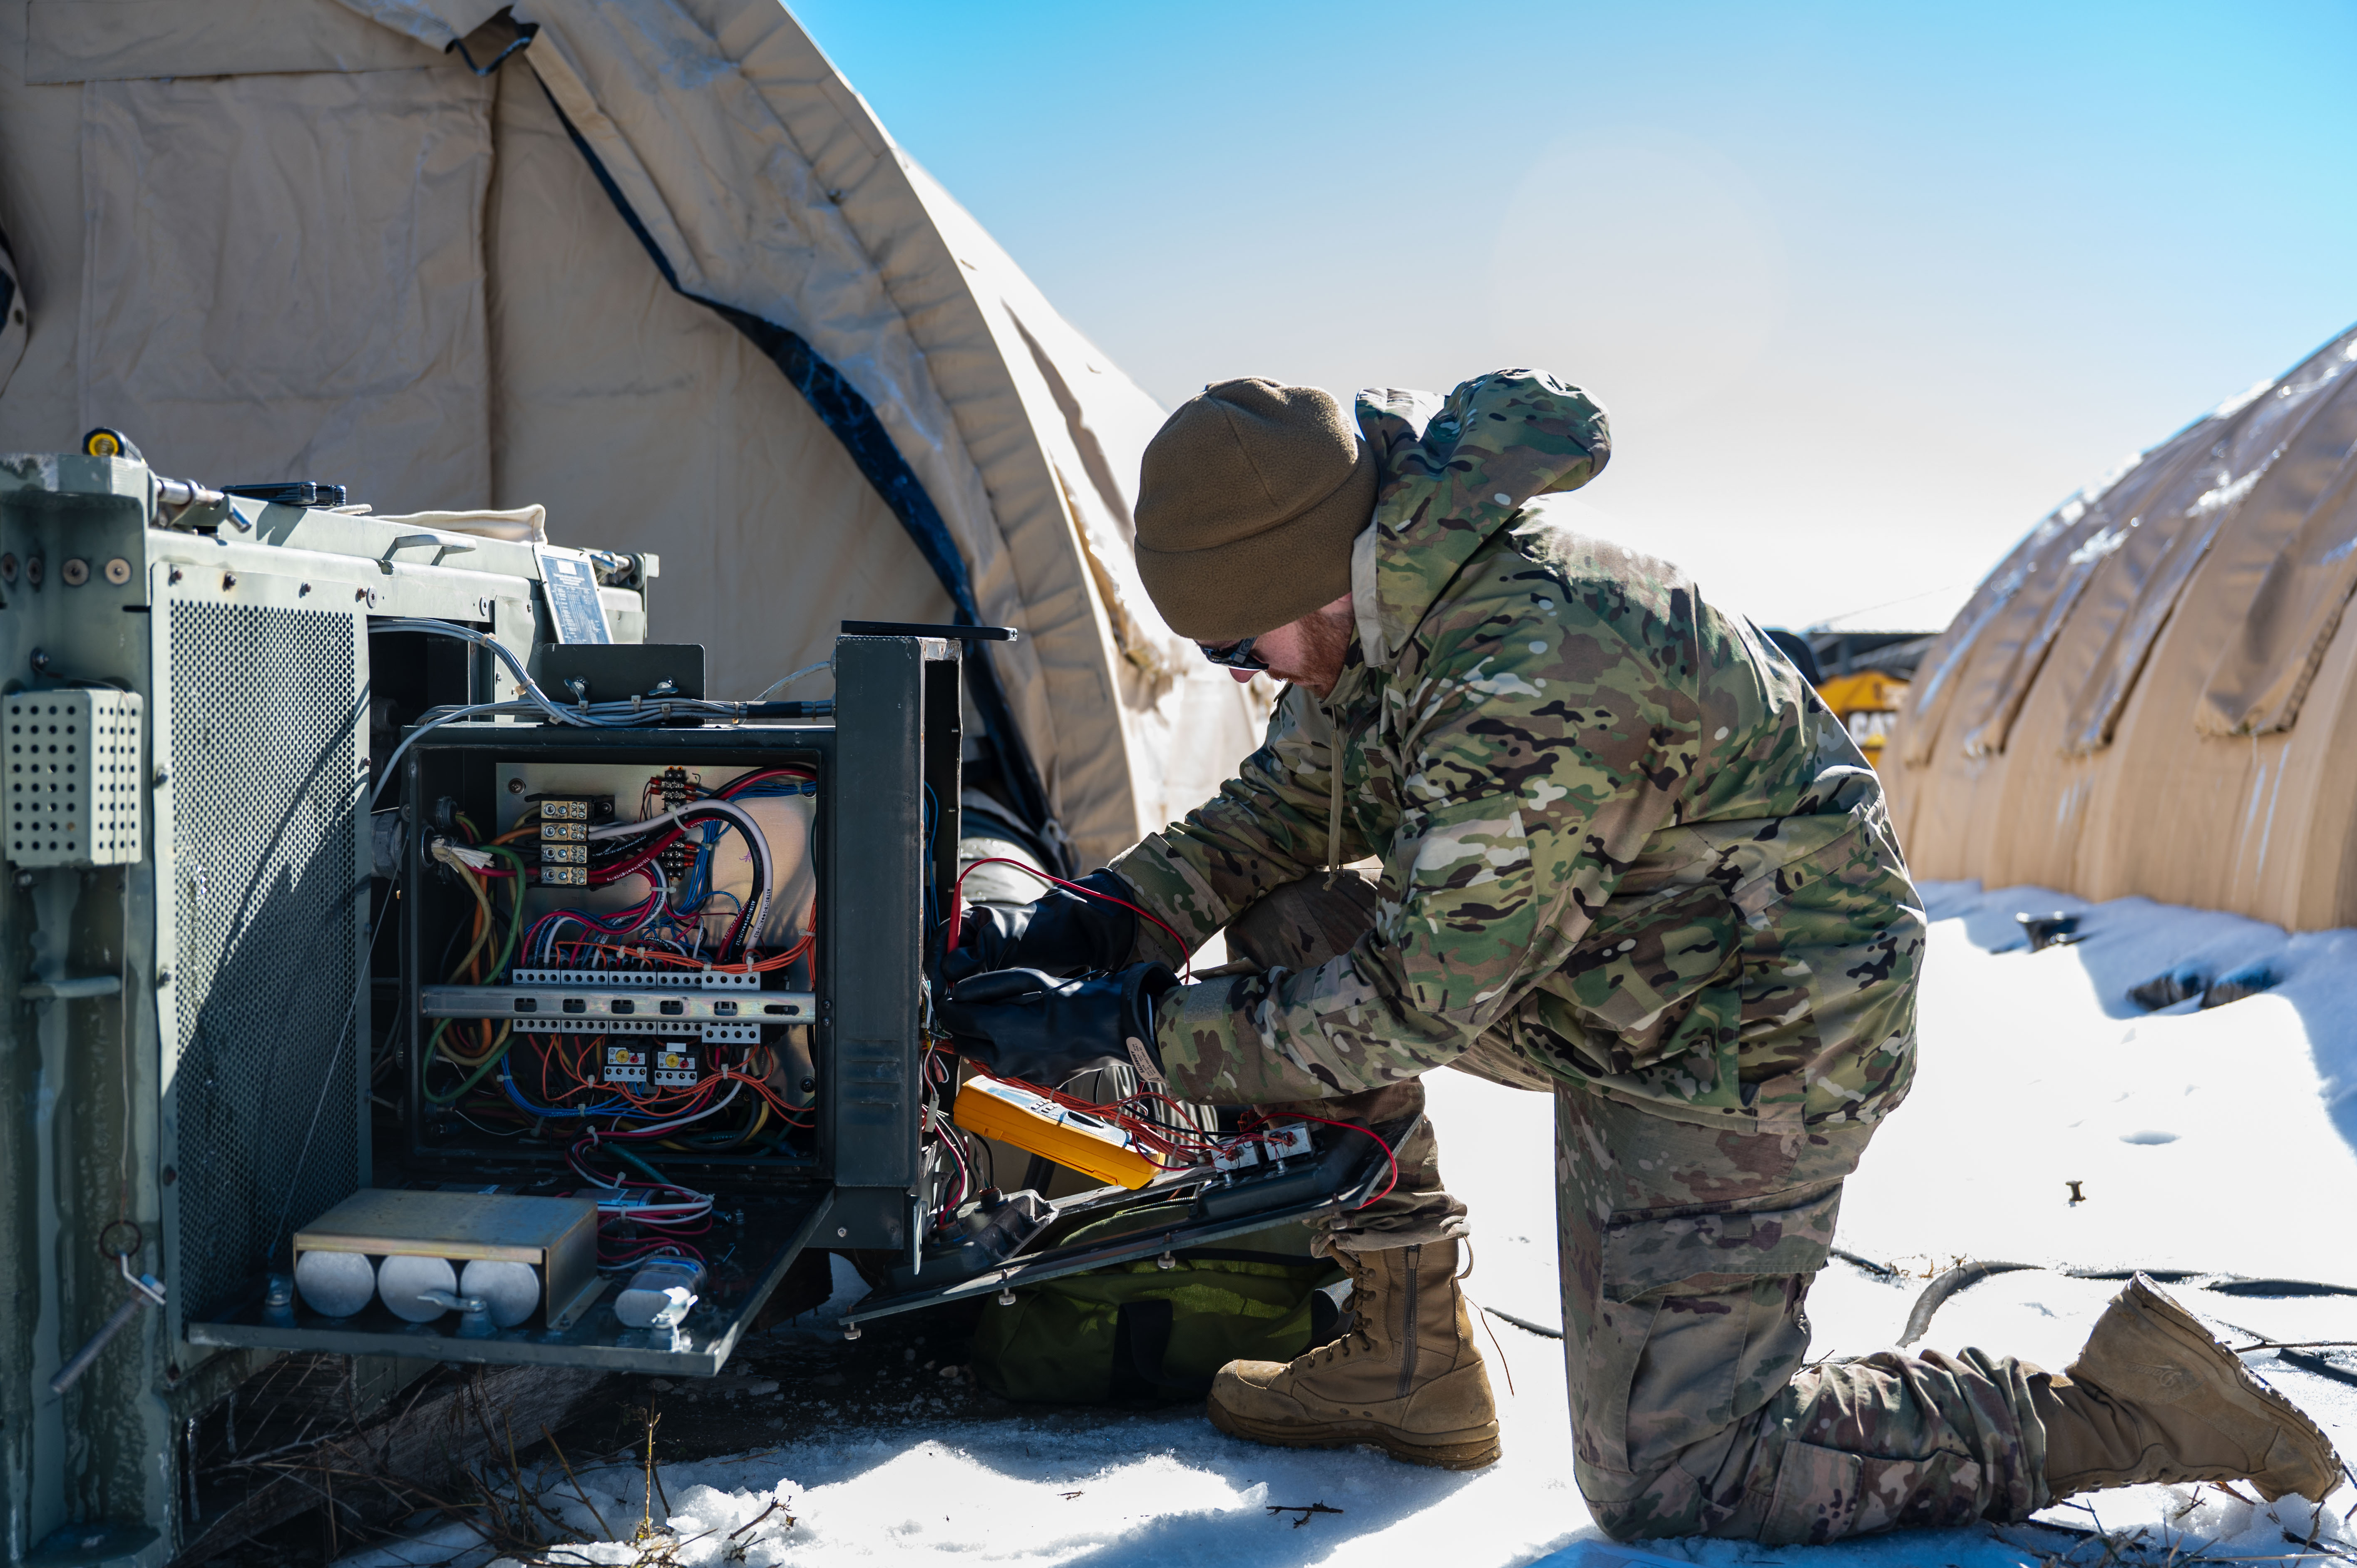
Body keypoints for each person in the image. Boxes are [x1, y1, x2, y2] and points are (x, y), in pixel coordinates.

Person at [939, 372, 2344, 1543]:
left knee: (1682, 1480)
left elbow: (1407, 1008)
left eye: (1247, 645)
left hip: (1756, 1044)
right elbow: (1282, 817)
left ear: (1306, 573)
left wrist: (1126, 1032)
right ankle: (1410, 1355)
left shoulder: (1520, 666)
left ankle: (2130, 1408)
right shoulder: (1388, 611)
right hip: (1627, 976)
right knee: (1299, 920)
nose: (1258, 674)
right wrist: (1104, 918)